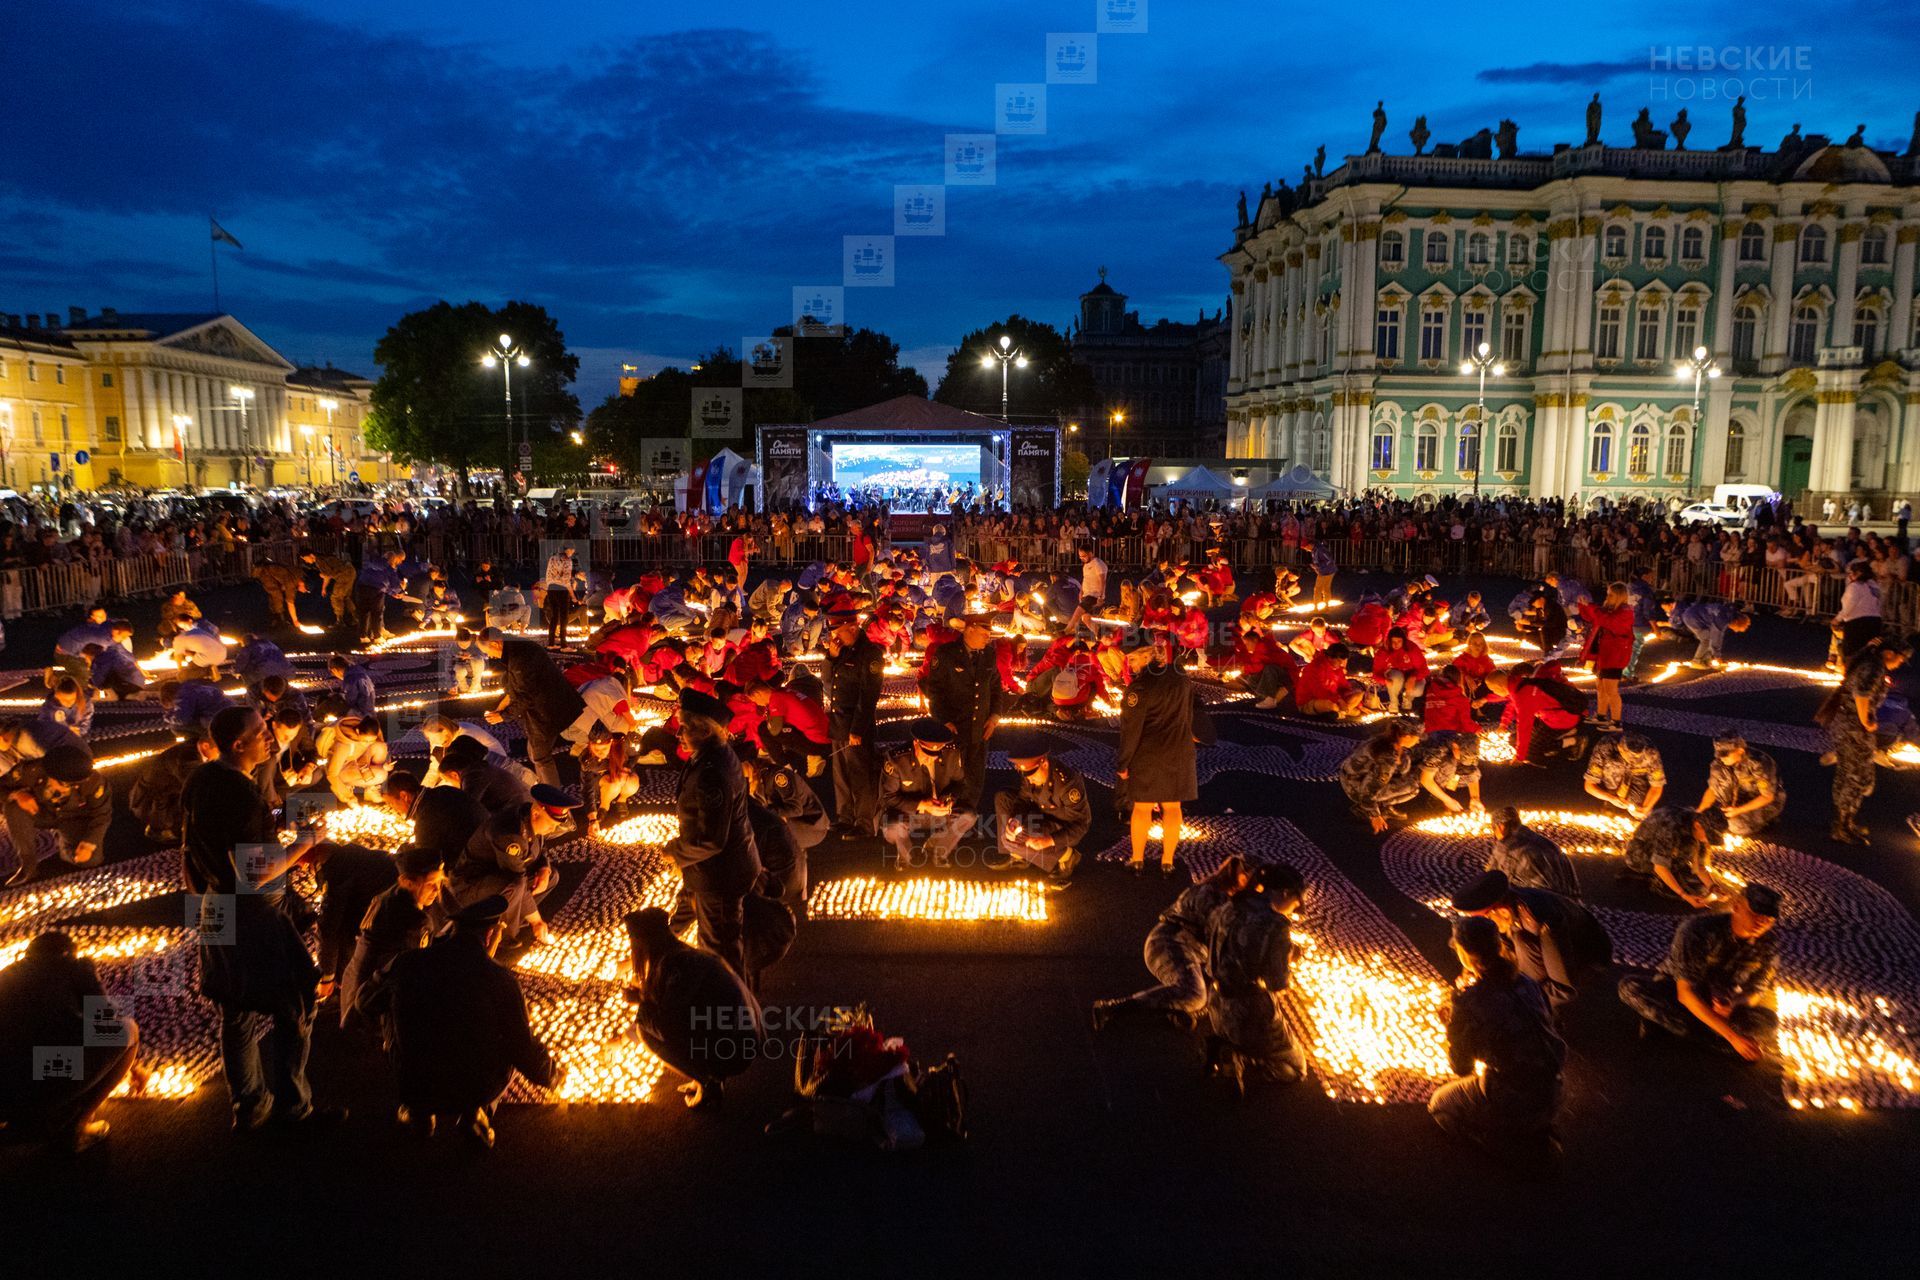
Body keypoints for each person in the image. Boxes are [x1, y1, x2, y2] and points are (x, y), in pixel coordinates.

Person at [183, 707, 344, 1133]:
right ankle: (295, 1106)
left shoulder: (202, 779)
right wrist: (303, 843)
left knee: (235, 1011)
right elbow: (250, 870)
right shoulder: (239, 793)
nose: (270, 737)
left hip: (216, 905)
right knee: (296, 1005)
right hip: (254, 913)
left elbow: (190, 851)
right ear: (238, 745)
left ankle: (250, 1106)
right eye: (260, 732)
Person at [367, 894, 563, 1146]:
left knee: (401, 1025)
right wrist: (553, 1076)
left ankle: (418, 1112)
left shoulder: (408, 963)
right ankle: (474, 1115)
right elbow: (521, 1047)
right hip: (475, 1085)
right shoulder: (499, 979)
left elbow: (365, 1003)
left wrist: (392, 1033)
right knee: (504, 1038)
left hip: (414, 1078)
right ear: (491, 934)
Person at [1429, 917, 1565, 1154]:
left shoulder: (1469, 1000)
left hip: (1512, 1099)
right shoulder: (1528, 983)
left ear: (1464, 953)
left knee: (1439, 1105)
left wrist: (1451, 1026)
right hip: (1553, 1092)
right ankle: (1535, 1128)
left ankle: (1499, 1142)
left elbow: (1461, 1067)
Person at [0, 931, 140, 1152]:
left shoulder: (6, 974)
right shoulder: (74, 966)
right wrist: (133, 1066)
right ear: (68, 952)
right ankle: (77, 1126)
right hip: (44, 1073)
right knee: (129, 1030)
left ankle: (30, 1121)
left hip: (6, 1083)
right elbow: (104, 1018)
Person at [1618, 883, 1782, 1066]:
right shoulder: (1697, 930)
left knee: (1769, 1023)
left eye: (1769, 919)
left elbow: (1757, 989)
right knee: (1629, 988)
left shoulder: (1769, 945)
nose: (1762, 922)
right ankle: (1716, 1042)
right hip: (1678, 993)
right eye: (1756, 914)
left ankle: (1675, 1027)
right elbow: (1685, 993)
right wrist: (1732, 1037)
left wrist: (1736, 1004)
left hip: (1724, 1001)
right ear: (1736, 906)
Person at [623, 906, 763, 1110]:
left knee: (645, 1031)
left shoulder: (678, 966)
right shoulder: (682, 954)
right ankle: (704, 1074)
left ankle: (709, 1083)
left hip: (737, 1049)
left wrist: (641, 1005)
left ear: (644, 943)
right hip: (739, 1036)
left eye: (633, 944)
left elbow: (666, 1026)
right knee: (648, 1022)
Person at [666, 690, 763, 976]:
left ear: (705, 730)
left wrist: (675, 852)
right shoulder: (713, 755)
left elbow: (711, 839)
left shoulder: (712, 770)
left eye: (685, 727)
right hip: (717, 871)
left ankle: (732, 1014)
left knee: (720, 955)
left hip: (721, 875)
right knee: (718, 944)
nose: (679, 733)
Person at [1092, 857, 1250, 1030]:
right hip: (1169, 945)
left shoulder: (1224, 895)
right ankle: (1113, 1008)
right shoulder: (1213, 897)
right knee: (1196, 994)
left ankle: (1179, 1012)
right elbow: (1222, 941)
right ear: (1241, 877)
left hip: (1190, 950)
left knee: (1218, 986)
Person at [1204, 862, 1308, 1096]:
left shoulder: (1231, 905)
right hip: (1249, 1013)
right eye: (1296, 903)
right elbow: (1277, 983)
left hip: (1217, 1003)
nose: (1294, 909)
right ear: (1285, 893)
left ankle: (1230, 1046)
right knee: (1297, 1068)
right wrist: (1287, 959)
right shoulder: (1275, 925)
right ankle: (1240, 1056)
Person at [1450, 870, 1611, 1014]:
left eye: (1487, 921)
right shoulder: (1507, 906)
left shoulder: (1541, 923)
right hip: (1533, 940)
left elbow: (1563, 989)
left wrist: (1518, 1000)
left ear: (1502, 912)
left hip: (1587, 957)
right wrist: (1472, 972)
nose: (1486, 927)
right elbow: (1475, 944)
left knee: (1523, 945)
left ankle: (1543, 1012)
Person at [1118, 631, 1210, 873]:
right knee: (1173, 807)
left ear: (1147, 656)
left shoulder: (1139, 688)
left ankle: (1138, 859)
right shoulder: (1181, 679)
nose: (1130, 665)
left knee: (1142, 807)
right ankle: (1167, 862)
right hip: (1179, 751)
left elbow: (1131, 730)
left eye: (1133, 659)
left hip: (1148, 754)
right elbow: (1188, 716)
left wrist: (1123, 763)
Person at [444, 783, 577, 945]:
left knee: (551, 876)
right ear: (536, 814)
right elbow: (516, 878)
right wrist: (537, 921)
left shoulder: (528, 816)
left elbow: (539, 849)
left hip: (499, 876)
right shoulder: (509, 834)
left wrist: (544, 869)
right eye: (551, 824)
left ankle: (513, 916)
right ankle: (503, 935)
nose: (552, 829)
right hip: (470, 885)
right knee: (516, 885)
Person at [340, 845, 445, 1032]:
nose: (437, 890)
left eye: (439, 883)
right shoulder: (416, 922)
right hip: (374, 999)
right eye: (430, 884)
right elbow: (414, 968)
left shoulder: (387, 897)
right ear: (407, 882)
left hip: (354, 986)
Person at [1827, 636, 1910, 844]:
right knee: (1857, 775)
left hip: (1846, 725)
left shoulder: (1869, 662)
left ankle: (1844, 821)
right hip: (1854, 728)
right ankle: (1843, 827)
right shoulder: (1874, 668)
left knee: (1847, 772)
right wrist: (1866, 722)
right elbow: (1862, 695)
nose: (1899, 664)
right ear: (1889, 653)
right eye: (1900, 659)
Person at [480, 626, 586, 786]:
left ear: (495, 643)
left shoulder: (519, 657)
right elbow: (516, 685)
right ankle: (547, 790)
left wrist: (503, 715)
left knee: (541, 757)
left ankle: (554, 800)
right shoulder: (514, 648)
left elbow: (527, 695)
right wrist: (503, 704)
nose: (489, 656)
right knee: (535, 752)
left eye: (488, 651)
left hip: (547, 709)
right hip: (547, 705)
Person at [923, 614, 1008, 808]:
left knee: (975, 776)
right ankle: (947, 815)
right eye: (984, 633)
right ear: (970, 630)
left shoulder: (988, 654)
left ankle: (967, 818)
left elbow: (995, 688)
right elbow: (935, 690)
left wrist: (994, 717)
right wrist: (943, 721)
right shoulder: (946, 654)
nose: (988, 638)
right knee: (951, 776)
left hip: (980, 728)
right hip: (954, 728)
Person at [3, 743, 109, 889]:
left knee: (91, 860)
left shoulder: (92, 781)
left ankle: (65, 846)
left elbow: (102, 814)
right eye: (62, 783)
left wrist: (89, 844)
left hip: (72, 818)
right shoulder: (31, 770)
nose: (66, 789)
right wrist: (17, 795)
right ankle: (28, 863)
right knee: (13, 807)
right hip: (41, 812)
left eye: (72, 785)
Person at [878, 720, 977, 869]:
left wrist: (949, 799)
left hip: (940, 812)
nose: (931, 758)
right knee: (892, 826)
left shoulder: (951, 753)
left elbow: (960, 782)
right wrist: (922, 804)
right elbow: (888, 798)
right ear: (917, 743)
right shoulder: (897, 760)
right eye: (927, 754)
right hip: (909, 814)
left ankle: (936, 851)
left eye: (936, 754)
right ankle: (906, 856)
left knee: (968, 816)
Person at [823, 607, 884, 837]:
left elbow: (868, 696)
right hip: (838, 722)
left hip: (857, 725)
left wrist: (857, 729)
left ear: (852, 627)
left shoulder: (870, 654)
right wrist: (831, 657)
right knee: (841, 776)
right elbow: (828, 684)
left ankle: (865, 823)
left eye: (837, 633)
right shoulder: (842, 650)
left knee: (860, 775)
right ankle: (845, 817)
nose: (834, 639)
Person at [993, 749, 1091, 885]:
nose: (1030, 780)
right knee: (1003, 798)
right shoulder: (1032, 773)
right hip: (1039, 813)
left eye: (1032, 777)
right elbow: (1023, 798)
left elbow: (1081, 825)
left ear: (1044, 763)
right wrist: (1015, 819)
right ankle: (1017, 855)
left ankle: (1067, 856)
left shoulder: (1068, 784)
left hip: (1060, 826)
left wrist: (1050, 840)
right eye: (1027, 777)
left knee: (1020, 836)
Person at [1623, 805, 1728, 908]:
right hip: (1639, 853)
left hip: (1662, 848)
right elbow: (1660, 866)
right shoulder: (1672, 826)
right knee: (1686, 852)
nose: (1707, 840)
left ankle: (1671, 875)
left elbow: (1699, 866)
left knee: (1690, 849)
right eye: (1708, 836)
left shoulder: (1697, 825)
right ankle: (1659, 881)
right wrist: (1684, 895)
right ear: (1697, 825)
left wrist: (1713, 887)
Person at [130, 728, 219, 842]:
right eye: (219, 751)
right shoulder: (186, 759)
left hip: (166, 796)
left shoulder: (197, 747)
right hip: (150, 803)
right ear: (206, 746)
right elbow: (200, 788)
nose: (220, 756)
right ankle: (161, 829)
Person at [1338, 719, 1423, 835]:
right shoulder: (1387, 757)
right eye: (1417, 737)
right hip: (1355, 786)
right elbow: (1369, 788)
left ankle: (1381, 805)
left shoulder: (1389, 740)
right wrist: (1375, 816)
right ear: (1407, 736)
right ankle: (1368, 808)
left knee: (1408, 778)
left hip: (1354, 776)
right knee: (1413, 788)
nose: (1418, 741)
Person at [1485, 806, 1581, 898]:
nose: (1495, 835)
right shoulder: (1547, 843)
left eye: (1494, 829)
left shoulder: (1509, 848)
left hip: (1540, 905)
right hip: (1569, 904)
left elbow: (1492, 880)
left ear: (1500, 827)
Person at [1698, 735, 1784, 835]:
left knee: (1736, 827)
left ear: (1740, 751)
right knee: (1713, 819)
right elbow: (1713, 789)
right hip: (1739, 795)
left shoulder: (1759, 764)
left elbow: (1767, 797)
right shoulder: (1720, 762)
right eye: (1720, 754)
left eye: (1726, 754)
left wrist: (1738, 810)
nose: (1722, 758)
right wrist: (1700, 811)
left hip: (1765, 799)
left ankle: (1765, 821)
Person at [1579, 581, 1635, 728]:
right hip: (1604, 654)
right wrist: (1584, 605)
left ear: (1619, 596)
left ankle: (1616, 722)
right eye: (1608, 594)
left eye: (1611, 595)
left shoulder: (1625, 612)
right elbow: (1592, 617)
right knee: (1601, 687)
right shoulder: (1610, 609)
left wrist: (1591, 607)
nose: (1608, 597)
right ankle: (1601, 716)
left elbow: (1605, 620)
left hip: (1614, 656)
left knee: (1611, 690)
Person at [1582, 731, 1666, 820]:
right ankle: (1610, 805)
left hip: (1638, 782)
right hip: (1612, 782)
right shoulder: (1606, 746)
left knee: (1640, 813)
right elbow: (1589, 785)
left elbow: (1657, 785)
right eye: (1630, 758)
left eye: (1637, 760)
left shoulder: (1651, 752)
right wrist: (1611, 798)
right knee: (1608, 816)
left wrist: (1646, 807)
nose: (1633, 762)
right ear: (1620, 748)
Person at [1669, 599, 1751, 669]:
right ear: (1736, 622)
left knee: (1709, 638)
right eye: (1737, 629)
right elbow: (1716, 638)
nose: (1735, 631)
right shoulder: (1722, 619)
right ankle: (1697, 661)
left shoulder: (1730, 612)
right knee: (1707, 639)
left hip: (1695, 613)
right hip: (1692, 617)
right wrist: (1717, 656)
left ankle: (1706, 660)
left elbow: (1730, 606)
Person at [1413, 731, 1482, 814]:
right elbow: (1426, 780)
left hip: (1445, 772)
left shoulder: (1471, 749)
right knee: (1450, 766)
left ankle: (1442, 789)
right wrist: (1447, 800)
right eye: (1462, 757)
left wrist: (1475, 798)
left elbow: (1471, 772)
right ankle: (1435, 798)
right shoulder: (1439, 750)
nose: (1463, 760)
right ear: (1455, 747)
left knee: (1472, 771)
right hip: (1418, 771)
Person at [354, 548, 413, 644]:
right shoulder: (389, 568)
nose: (401, 562)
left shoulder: (373, 563)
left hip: (361, 587)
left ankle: (363, 636)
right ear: (395, 559)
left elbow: (383, 582)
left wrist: (393, 594)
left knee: (363, 612)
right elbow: (393, 585)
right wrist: (402, 587)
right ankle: (377, 636)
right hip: (376, 592)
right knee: (376, 613)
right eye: (401, 560)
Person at [1832, 559, 1884, 665]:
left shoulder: (1855, 586)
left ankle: (1852, 673)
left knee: (1852, 651)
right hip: (1875, 621)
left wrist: (1838, 619)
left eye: (1851, 573)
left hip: (1857, 623)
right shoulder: (1874, 586)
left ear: (1858, 573)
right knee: (1871, 650)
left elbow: (1849, 605)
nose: (1849, 576)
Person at [1371, 627, 1429, 714]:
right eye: (1393, 642)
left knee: (1418, 690)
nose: (1396, 644)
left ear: (1404, 641)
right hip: (1395, 677)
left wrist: (1413, 677)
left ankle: (1407, 699)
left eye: (1399, 641)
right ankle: (1394, 703)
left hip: (1411, 675)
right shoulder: (1383, 652)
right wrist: (1385, 680)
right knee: (1396, 677)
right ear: (1389, 641)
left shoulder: (1412, 648)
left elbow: (1424, 669)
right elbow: (1376, 673)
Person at [299, 548, 357, 626]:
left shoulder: (320, 561)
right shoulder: (322, 558)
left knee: (336, 597)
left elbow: (326, 575)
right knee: (346, 596)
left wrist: (321, 575)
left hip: (343, 575)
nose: (306, 561)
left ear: (311, 555)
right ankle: (355, 618)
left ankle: (340, 621)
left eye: (305, 559)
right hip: (350, 571)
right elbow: (328, 575)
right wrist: (324, 588)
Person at [253, 557, 308, 629]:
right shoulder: (291, 583)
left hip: (272, 572)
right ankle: (280, 620)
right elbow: (290, 603)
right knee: (277, 596)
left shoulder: (300, 574)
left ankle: (276, 617)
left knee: (277, 593)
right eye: (305, 590)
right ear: (302, 584)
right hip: (265, 573)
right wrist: (295, 620)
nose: (304, 592)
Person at [542, 545, 579, 646]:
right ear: (569, 549)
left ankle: (551, 643)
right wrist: (573, 597)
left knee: (554, 616)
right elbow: (566, 581)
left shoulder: (552, 558)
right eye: (572, 551)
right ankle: (563, 643)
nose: (572, 553)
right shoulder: (567, 560)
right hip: (561, 589)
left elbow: (549, 574)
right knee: (564, 616)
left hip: (551, 588)